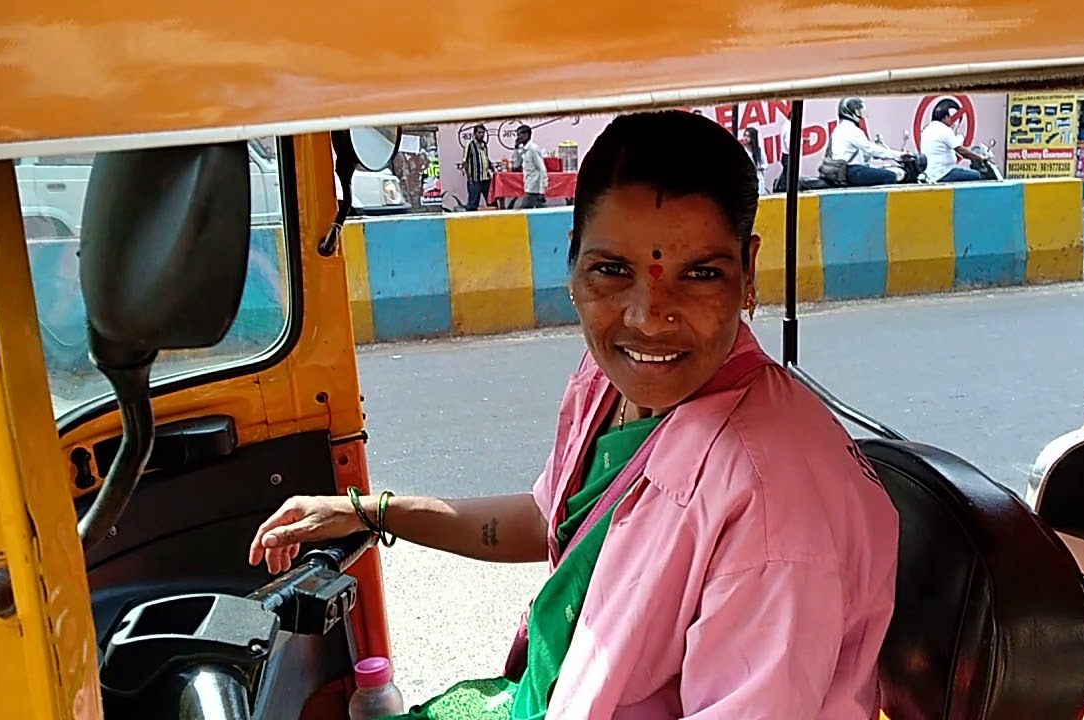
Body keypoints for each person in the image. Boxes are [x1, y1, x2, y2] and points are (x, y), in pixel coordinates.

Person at [247, 110, 900, 720]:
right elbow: (549, 519)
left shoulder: (771, 513)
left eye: (699, 275)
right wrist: (371, 511)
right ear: (573, 260)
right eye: (612, 271)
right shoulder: (607, 383)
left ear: (749, 272)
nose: (648, 318)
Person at [823, 97, 905, 187]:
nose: (861, 112)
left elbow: (865, 152)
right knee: (890, 176)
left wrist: (881, 155)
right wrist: (899, 155)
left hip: (845, 170)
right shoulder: (851, 130)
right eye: (858, 109)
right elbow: (870, 149)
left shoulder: (840, 128)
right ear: (851, 111)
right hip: (852, 171)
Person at [919, 99, 984, 183]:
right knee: (976, 175)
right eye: (949, 117)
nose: (950, 119)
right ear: (945, 117)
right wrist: (979, 157)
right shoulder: (944, 129)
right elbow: (961, 151)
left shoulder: (927, 129)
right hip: (943, 173)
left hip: (930, 174)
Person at [510, 124, 548, 209]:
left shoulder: (533, 149)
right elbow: (516, 165)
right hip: (529, 187)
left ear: (526, 135)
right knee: (541, 212)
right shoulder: (524, 150)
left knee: (523, 211)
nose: (518, 137)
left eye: (520, 134)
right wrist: (516, 148)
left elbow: (542, 169)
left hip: (534, 189)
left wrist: (542, 191)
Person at [460, 125, 494, 210]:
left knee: (492, 202)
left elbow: (484, 157)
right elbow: (465, 161)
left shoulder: (484, 145)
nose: (481, 135)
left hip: (486, 179)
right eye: (479, 132)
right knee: (473, 203)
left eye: (483, 133)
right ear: (474, 134)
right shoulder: (470, 145)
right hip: (475, 179)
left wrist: (490, 165)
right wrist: (469, 177)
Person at [741, 126, 767, 195]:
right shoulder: (742, 151)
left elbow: (765, 165)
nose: (745, 138)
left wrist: (759, 168)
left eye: (748, 136)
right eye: (744, 135)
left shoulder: (759, 151)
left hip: (758, 178)